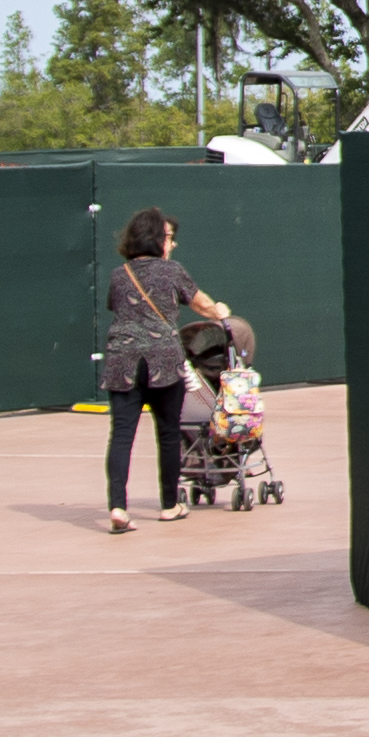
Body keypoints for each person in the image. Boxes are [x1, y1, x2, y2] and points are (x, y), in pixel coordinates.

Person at [98, 207, 230, 533]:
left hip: (122, 361)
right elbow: (200, 303)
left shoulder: (119, 275)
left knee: (122, 435)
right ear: (157, 238)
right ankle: (170, 505)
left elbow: (116, 307)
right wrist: (219, 311)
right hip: (162, 361)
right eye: (169, 237)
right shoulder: (172, 272)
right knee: (169, 432)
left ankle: (117, 506)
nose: (172, 244)